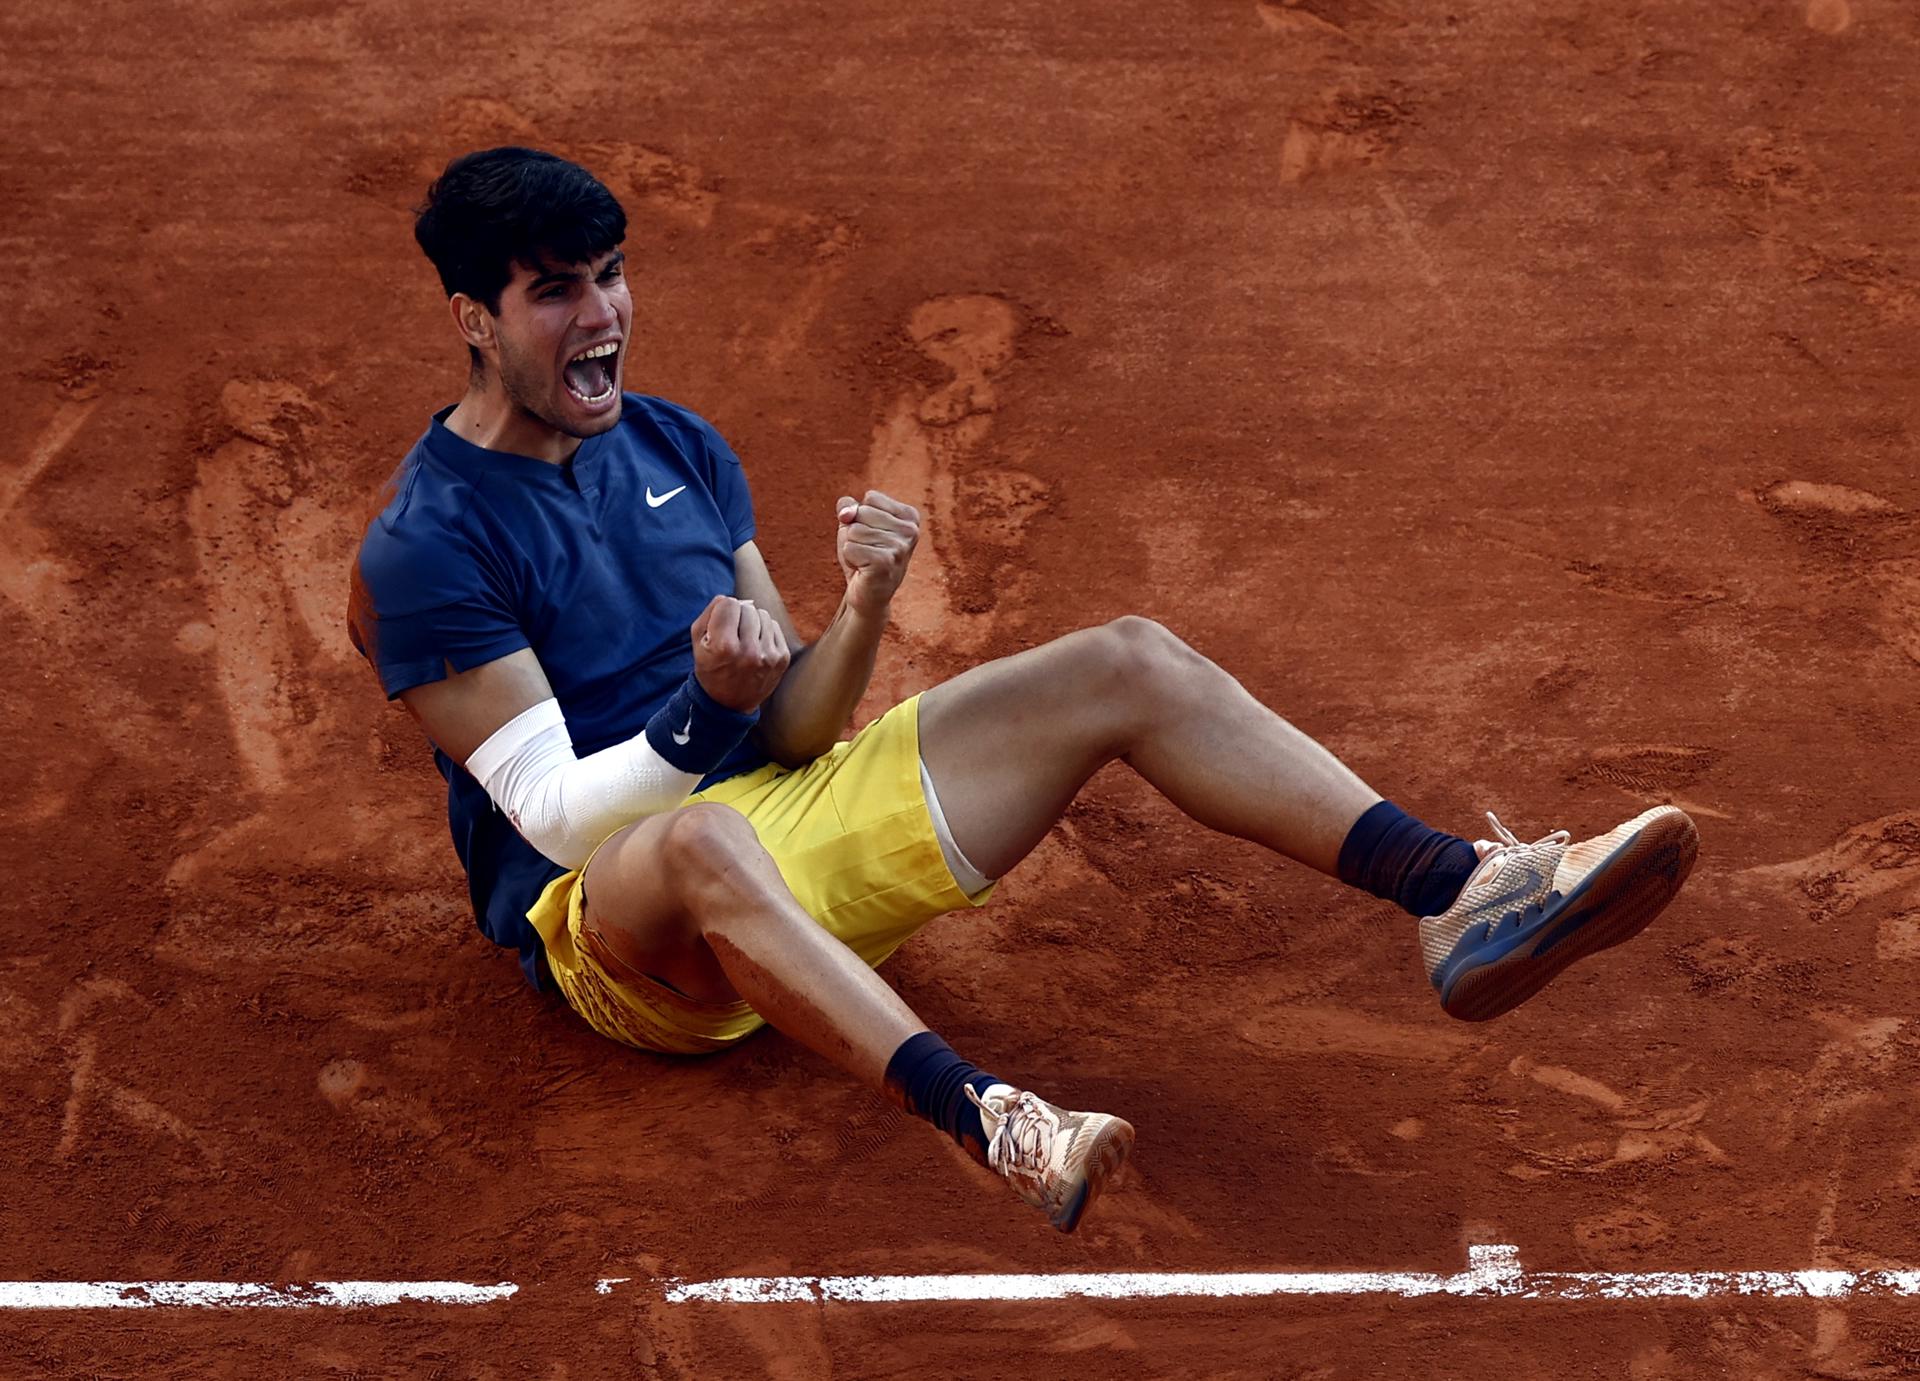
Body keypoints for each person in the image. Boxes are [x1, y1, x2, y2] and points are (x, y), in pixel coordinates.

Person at [349, 147, 1700, 1234]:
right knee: (700, 834)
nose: (602, 317)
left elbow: (800, 731)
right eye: (556, 292)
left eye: (612, 276)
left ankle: (1457, 891)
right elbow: (558, 824)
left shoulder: (675, 447)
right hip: (627, 936)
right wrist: (701, 710)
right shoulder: (428, 548)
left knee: (1129, 659)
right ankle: (992, 1118)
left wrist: (863, 603)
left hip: (780, 836)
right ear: (473, 319)